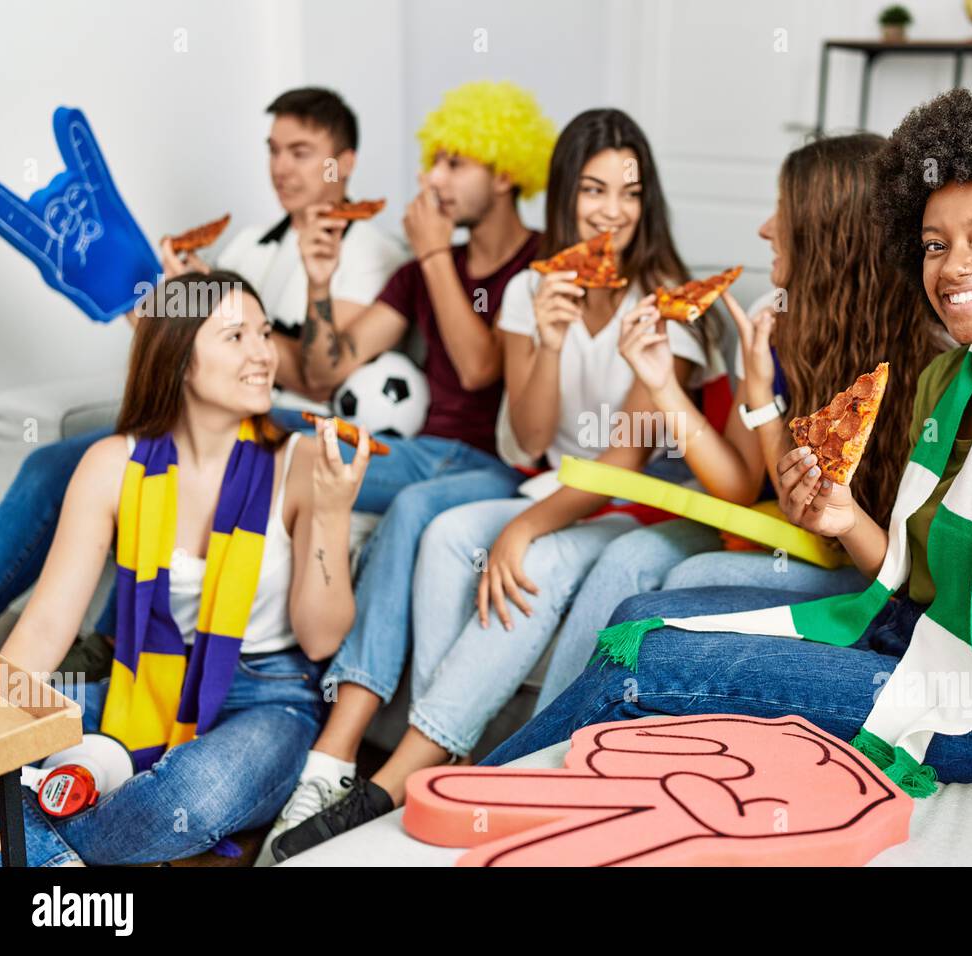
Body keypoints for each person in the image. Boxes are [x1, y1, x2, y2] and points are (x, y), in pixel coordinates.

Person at [480, 86, 972, 866]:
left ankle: (463, 806)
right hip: (908, 636)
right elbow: (918, 582)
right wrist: (842, 520)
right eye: (936, 244)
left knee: (639, 664)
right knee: (641, 610)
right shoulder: (950, 381)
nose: (954, 266)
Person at [271, 108, 709, 861]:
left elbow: (626, 465)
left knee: (534, 558)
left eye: (632, 193)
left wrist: (522, 527)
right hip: (556, 482)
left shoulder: (667, 298)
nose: (614, 211)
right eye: (596, 191)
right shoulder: (533, 287)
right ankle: (454, 760)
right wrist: (546, 340)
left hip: (640, 500)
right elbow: (534, 440)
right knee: (442, 534)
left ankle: (409, 772)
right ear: (567, 195)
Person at [535, 133, 945, 712]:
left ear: (829, 235)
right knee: (628, 558)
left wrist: (760, 398)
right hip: (778, 528)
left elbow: (858, 537)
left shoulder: (931, 367)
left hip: (867, 570)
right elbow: (737, 482)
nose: (764, 228)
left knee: (689, 578)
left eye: (783, 211)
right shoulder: (769, 325)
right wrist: (661, 383)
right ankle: (551, 741)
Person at [253, 80, 557, 860]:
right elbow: (330, 368)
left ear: (506, 170)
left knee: (419, 507)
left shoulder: (543, 261)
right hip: (419, 448)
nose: (435, 179)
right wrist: (321, 283)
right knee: (274, 432)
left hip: (497, 466)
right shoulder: (424, 269)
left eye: (457, 162)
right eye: (435, 160)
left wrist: (431, 255)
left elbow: (482, 368)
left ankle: (336, 754)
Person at [0, 87, 405, 645]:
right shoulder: (252, 244)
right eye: (273, 150)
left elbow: (316, 375)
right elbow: (184, 351)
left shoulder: (371, 252)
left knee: (71, 464)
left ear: (344, 162)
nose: (280, 167)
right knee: (52, 464)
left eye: (300, 152)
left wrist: (243, 310)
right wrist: (136, 293)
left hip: (286, 422)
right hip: (211, 410)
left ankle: (108, 648)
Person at [0, 272, 370, 866]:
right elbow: (44, 629)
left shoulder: (299, 463)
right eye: (236, 336)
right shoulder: (112, 465)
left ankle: (37, 856)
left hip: (270, 695)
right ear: (180, 359)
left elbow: (321, 637)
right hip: (142, 682)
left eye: (264, 334)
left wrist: (334, 513)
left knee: (186, 795)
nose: (264, 353)